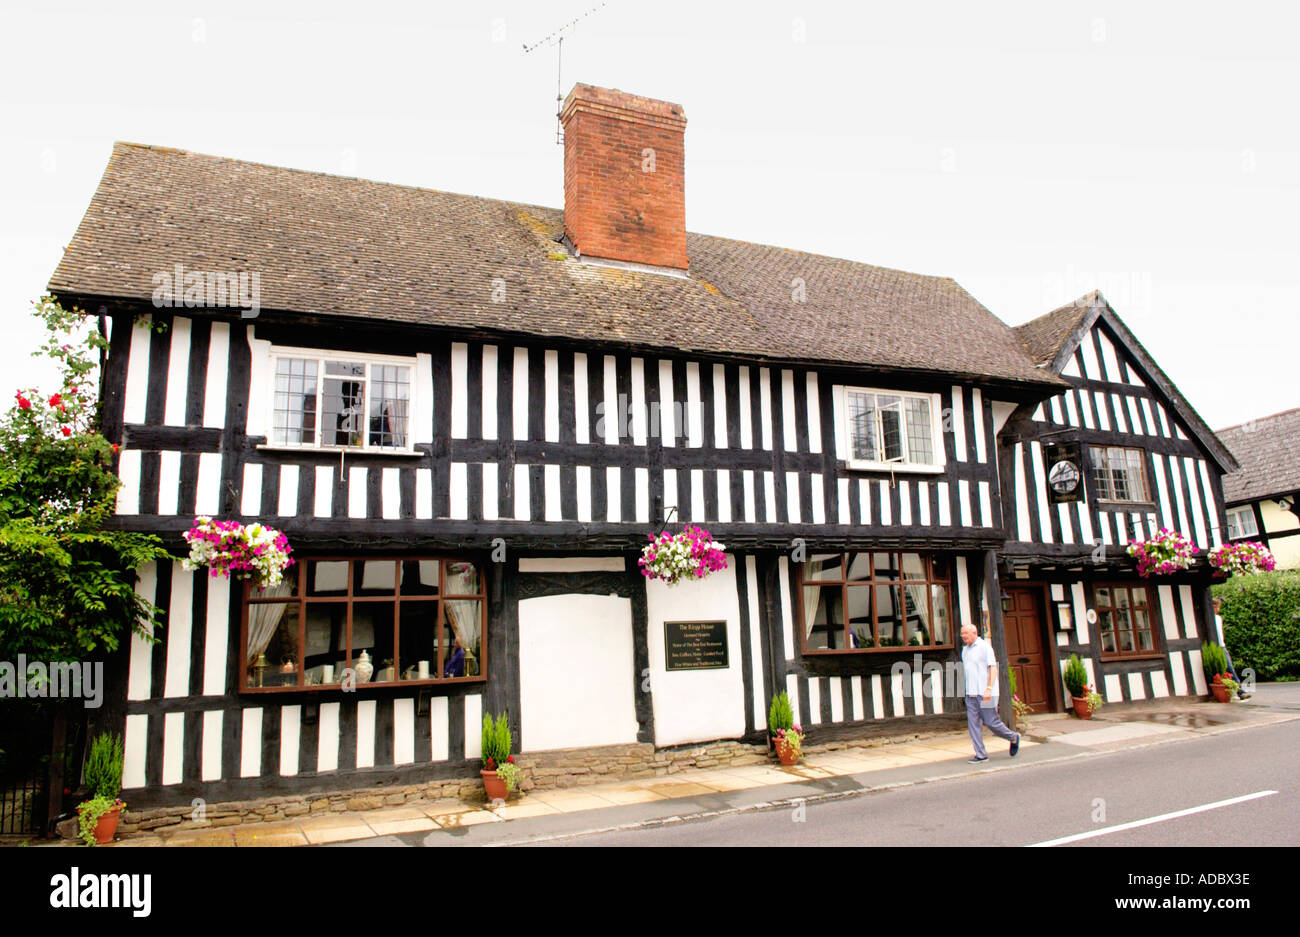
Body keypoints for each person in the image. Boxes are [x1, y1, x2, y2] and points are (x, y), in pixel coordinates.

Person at [960, 623, 1020, 763]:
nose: (963, 636)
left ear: (974, 633)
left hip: (985, 693)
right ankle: (981, 754)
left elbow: (993, 669)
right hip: (971, 694)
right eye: (962, 634)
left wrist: (988, 688)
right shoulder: (965, 651)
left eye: (966, 633)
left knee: (991, 722)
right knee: (973, 724)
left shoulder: (984, 647)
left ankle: (1013, 737)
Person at [1211, 597, 1251, 700]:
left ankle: (1239, 691)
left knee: (1229, 668)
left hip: (1221, 646)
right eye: (1216, 606)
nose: (1217, 609)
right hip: (1216, 647)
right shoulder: (1210, 619)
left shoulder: (1218, 618)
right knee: (1226, 669)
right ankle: (1238, 692)